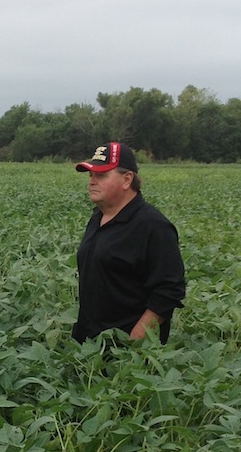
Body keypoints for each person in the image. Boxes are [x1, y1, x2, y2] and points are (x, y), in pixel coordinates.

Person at [72, 142, 185, 345]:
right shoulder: (98, 217)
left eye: (101, 175)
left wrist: (136, 341)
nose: (92, 182)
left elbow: (169, 290)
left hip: (126, 352)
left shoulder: (153, 226)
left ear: (127, 179)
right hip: (89, 345)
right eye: (91, 175)